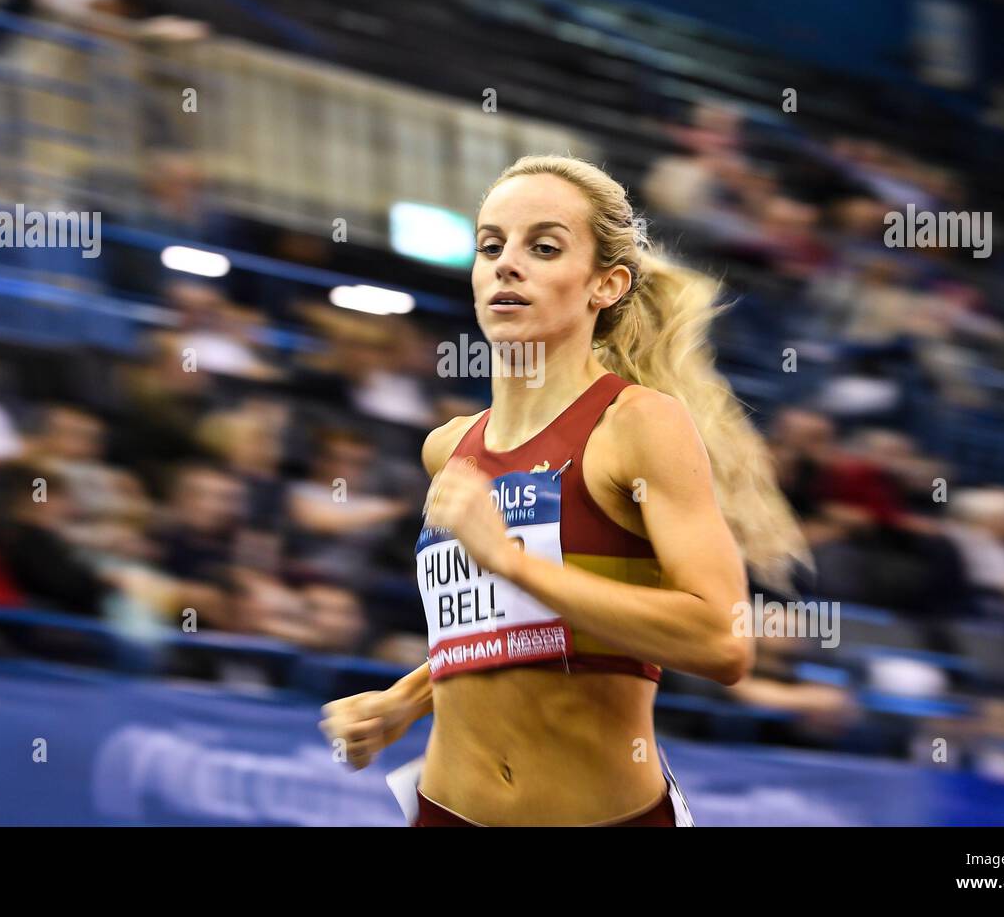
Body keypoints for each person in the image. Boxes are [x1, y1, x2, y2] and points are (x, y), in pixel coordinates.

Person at [320, 155, 812, 826]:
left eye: (543, 247)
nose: (506, 264)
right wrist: (405, 698)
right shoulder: (448, 447)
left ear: (604, 285)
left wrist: (513, 558)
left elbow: (722, 642)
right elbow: (506, 626)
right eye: (490, 246)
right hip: (446, 810)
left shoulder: (639, 425)